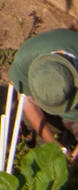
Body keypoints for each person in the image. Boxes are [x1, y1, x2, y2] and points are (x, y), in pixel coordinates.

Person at [9, 29, 78, 162]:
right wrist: (51, 143)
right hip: (44, 102)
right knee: (40, 147)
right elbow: (27, 101)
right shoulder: (26, 59)